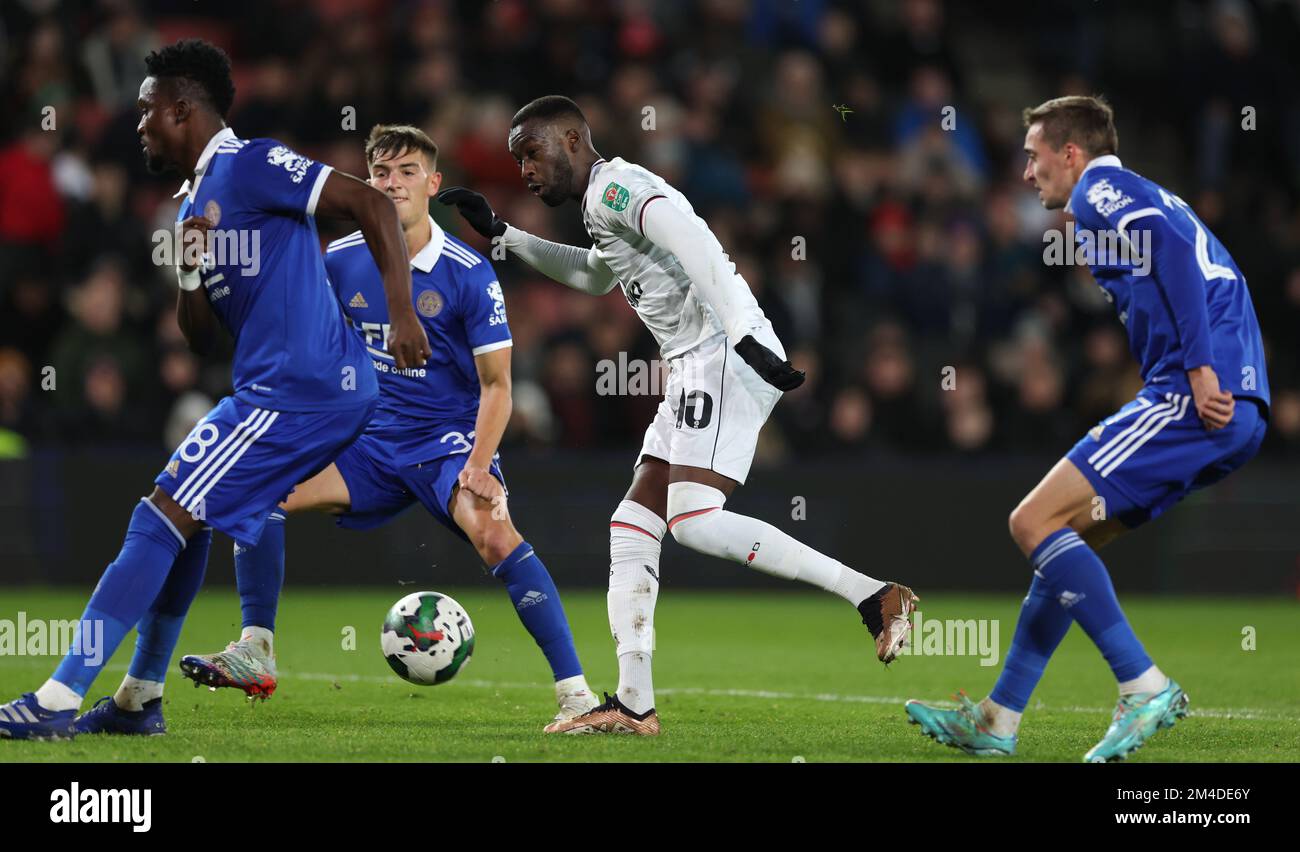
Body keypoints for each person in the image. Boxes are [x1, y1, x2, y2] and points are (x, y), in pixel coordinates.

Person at [441, 95, 919, 736]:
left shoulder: (618, 186)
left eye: (533, 152)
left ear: (574, 141)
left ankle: (873, 593)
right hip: (695, 362)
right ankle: (634, 704)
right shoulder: (598, 204)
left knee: (692, 521)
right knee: (632, 524)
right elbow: (591, 277)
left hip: (719, 353)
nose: (525, 169)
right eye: (517, 159)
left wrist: (743, 326)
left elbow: (695, 240)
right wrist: (505, 235)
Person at [0, 39, 430, 739]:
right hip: (281, 387)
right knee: (188, 518)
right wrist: (192, 272)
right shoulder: (194, 204)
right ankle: (140, 700)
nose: (137, 125)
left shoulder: (250, 161)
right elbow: (200, 338)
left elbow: (371, 206)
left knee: (160, 513)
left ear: (181, 108)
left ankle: (57, 697)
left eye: (145, 111)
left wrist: (402, 310)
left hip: (302, 387)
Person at [179, 124, 598, 728]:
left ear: (433, 183)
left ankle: (576, 694)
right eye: (381, 173)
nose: (393, 183)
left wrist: (479, 465)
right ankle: (256, 649)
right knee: (256, 492)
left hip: (447, 443)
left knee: (496, 536)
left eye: (407, 172)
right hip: (364, 443)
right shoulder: (338, 260)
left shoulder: (469, 272)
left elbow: (498, 387)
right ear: (366, 182)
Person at [904, 95, 1270, 762]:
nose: (1025, 173)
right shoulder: (1135, 194)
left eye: (1033, 157)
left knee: (1030, 522)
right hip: (1231, 408)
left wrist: (1201, 369)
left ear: (1070, 154)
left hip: (1197, 398)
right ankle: (998, 718)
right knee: (1061, 541)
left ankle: (1143, 685)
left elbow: (1172, 256)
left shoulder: (1100, 189)